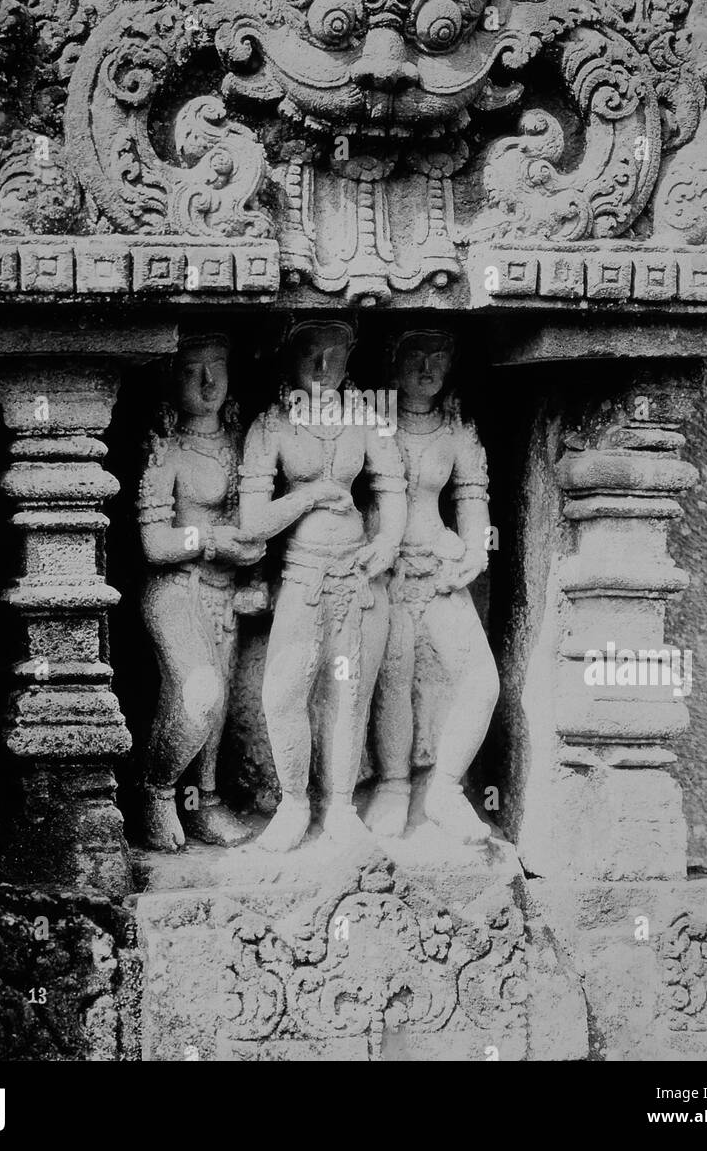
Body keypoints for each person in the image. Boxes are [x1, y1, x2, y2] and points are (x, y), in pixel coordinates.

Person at [239, 319, 407, 852]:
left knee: (348, 694)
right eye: (312, 355)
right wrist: (311, 495)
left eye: (335, 357)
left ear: (349, 360)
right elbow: (252, 523)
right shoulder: (271, 427)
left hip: (356, 580)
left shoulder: (367, 421)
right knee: (285, 692)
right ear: (289, 359)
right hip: (302, 577)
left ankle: (339, 805)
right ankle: (293, 802)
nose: (322, 368)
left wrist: (387, 544)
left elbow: (392, 490)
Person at [364, 328, 499, 844]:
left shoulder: (456, 432)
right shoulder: (368, 425)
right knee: (391, 682)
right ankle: (394, 787)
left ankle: (445, 788)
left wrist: (475, 552)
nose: (427, 370)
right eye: (415, 356)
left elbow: (472, 499)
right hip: (384, 570)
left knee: (482, 682)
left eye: (439, 358)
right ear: (392, 360)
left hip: (439, 570)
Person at [137, 333, 264, 851]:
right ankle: (155, 793)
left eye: (217, 367)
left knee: (221, 706)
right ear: (170, 379)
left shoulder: (241, 445)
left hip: (223, 592)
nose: (209, 383)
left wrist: (255, 575)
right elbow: (153, 542)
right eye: (193, 371)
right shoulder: (166, 449)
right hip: (175, 588)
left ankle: (204, 803)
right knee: (199, 694)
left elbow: (255, 523)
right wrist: (209, 539)